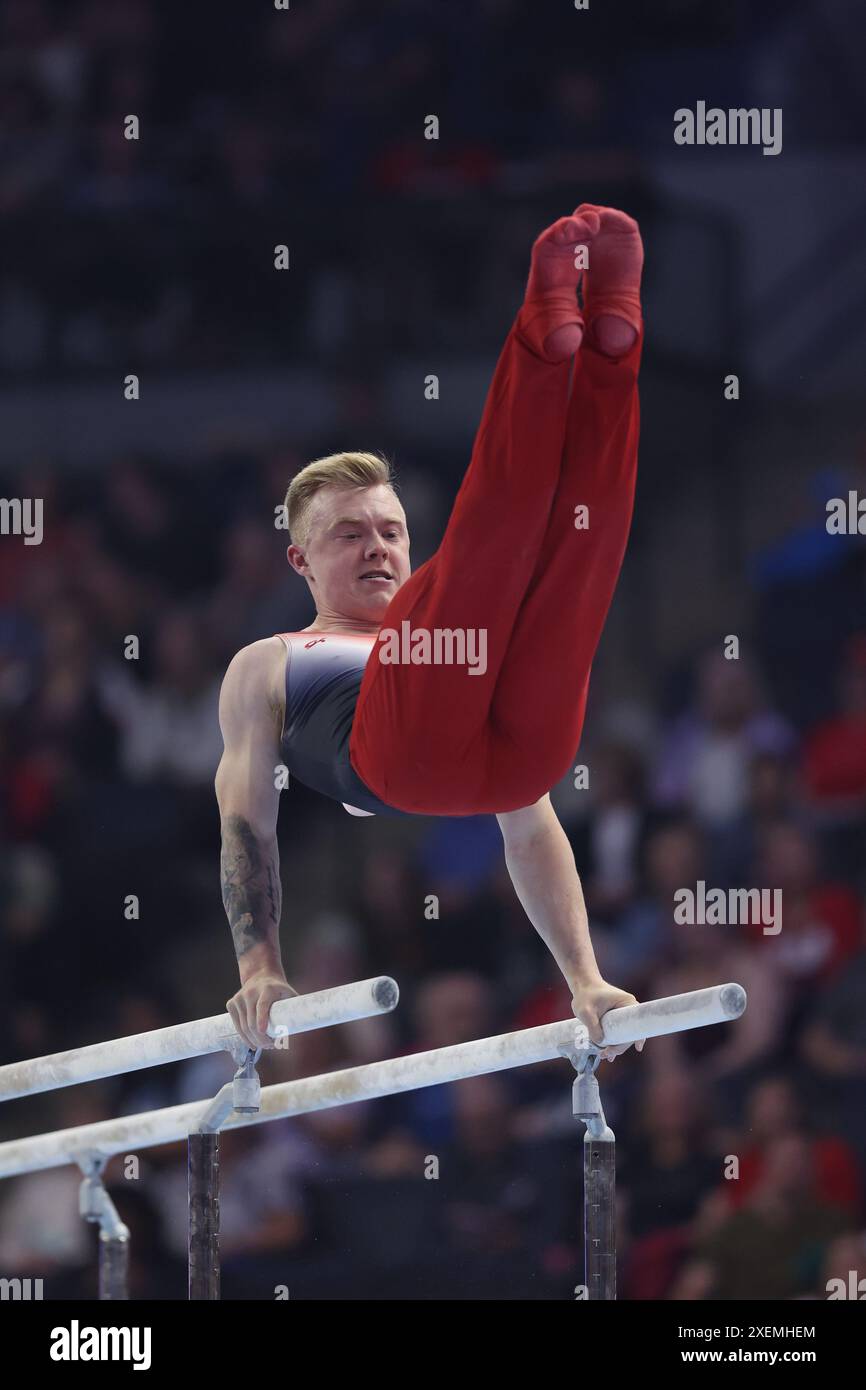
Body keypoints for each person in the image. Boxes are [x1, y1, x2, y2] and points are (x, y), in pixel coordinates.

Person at [216, 205, 646, 1060]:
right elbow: (246, 820)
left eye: (388, 530)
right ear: (299, 560)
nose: (378, 546)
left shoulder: (440, 606)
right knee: (496, 539)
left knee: (582, 540)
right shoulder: (268, 662)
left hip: (515, 757)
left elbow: (528, 830)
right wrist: (260, 964)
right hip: (396, 755)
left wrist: (585, 978)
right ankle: (542, 334)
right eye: (349, 534)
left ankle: (608, 343)